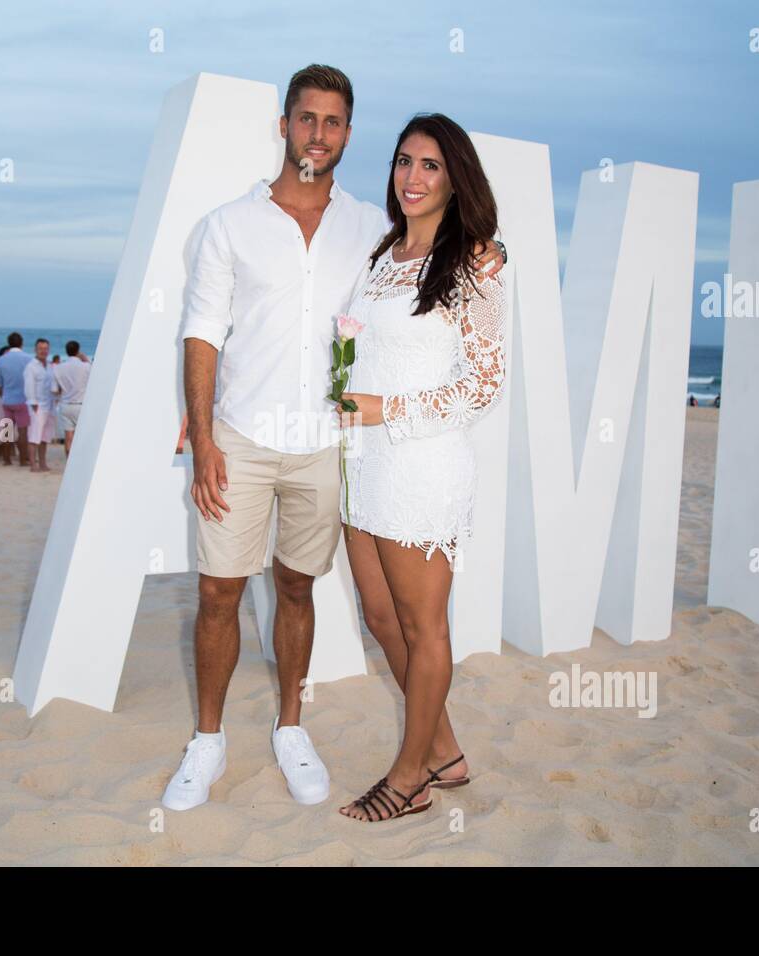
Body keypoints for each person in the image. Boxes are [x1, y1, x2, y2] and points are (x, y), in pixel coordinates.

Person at [167, 65, 505, 811]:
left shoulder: (376, 232)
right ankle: (208, 741)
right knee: (226, 591)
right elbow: (202, 331)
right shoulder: (236, 226)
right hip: (256, 440)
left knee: (299, 587)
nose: (318, 133)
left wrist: (486, 245)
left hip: (338, 449)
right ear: (284, 125)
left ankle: (295, 730)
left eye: (334, 121)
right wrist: (202, 425)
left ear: (348, 134)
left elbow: (461, 349)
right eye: (306, 118)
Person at [334, 114, 507, 821]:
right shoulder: (384, 253)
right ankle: (446, 750)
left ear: (455, 176)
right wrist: (343, 387)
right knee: (379, 615)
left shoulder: (473, 263)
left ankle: (410, 778)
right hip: (362, 464)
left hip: (420, 465)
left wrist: (386, 409)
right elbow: (356, 341)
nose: (412, 177)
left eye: (430, 165)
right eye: (404, 161)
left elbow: (483, 383)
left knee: (423, 625)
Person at [0, 332, 32, 466]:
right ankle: (22, 459)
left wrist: (4, 396)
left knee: (7, 430)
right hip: (22, 399)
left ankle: (7, 459)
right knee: (22, 431)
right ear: (21, 343)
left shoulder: (2, 359)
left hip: (7, 399)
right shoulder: (28, 359)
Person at [50, 340, 91, 452]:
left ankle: (68, 462)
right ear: (78, 351)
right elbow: (94, 376)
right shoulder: (86, 366)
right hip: (80, 405)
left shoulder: (58, 368)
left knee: (68, 436)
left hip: (65, 405)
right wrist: (85, 358)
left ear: (66, 351)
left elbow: (54, 390)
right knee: (82, 436)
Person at [24, 337, 56, 472]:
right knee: (34, 436)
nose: (43, 351)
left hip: (49, 405)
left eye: (45, 349)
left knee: (45, 437)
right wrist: (33, 403)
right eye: (40, 349)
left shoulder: (50, 365)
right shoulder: (31, 367)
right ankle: (33, 464)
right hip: (37, 406)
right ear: (35, 350)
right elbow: (28, 386)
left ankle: (43, 463)